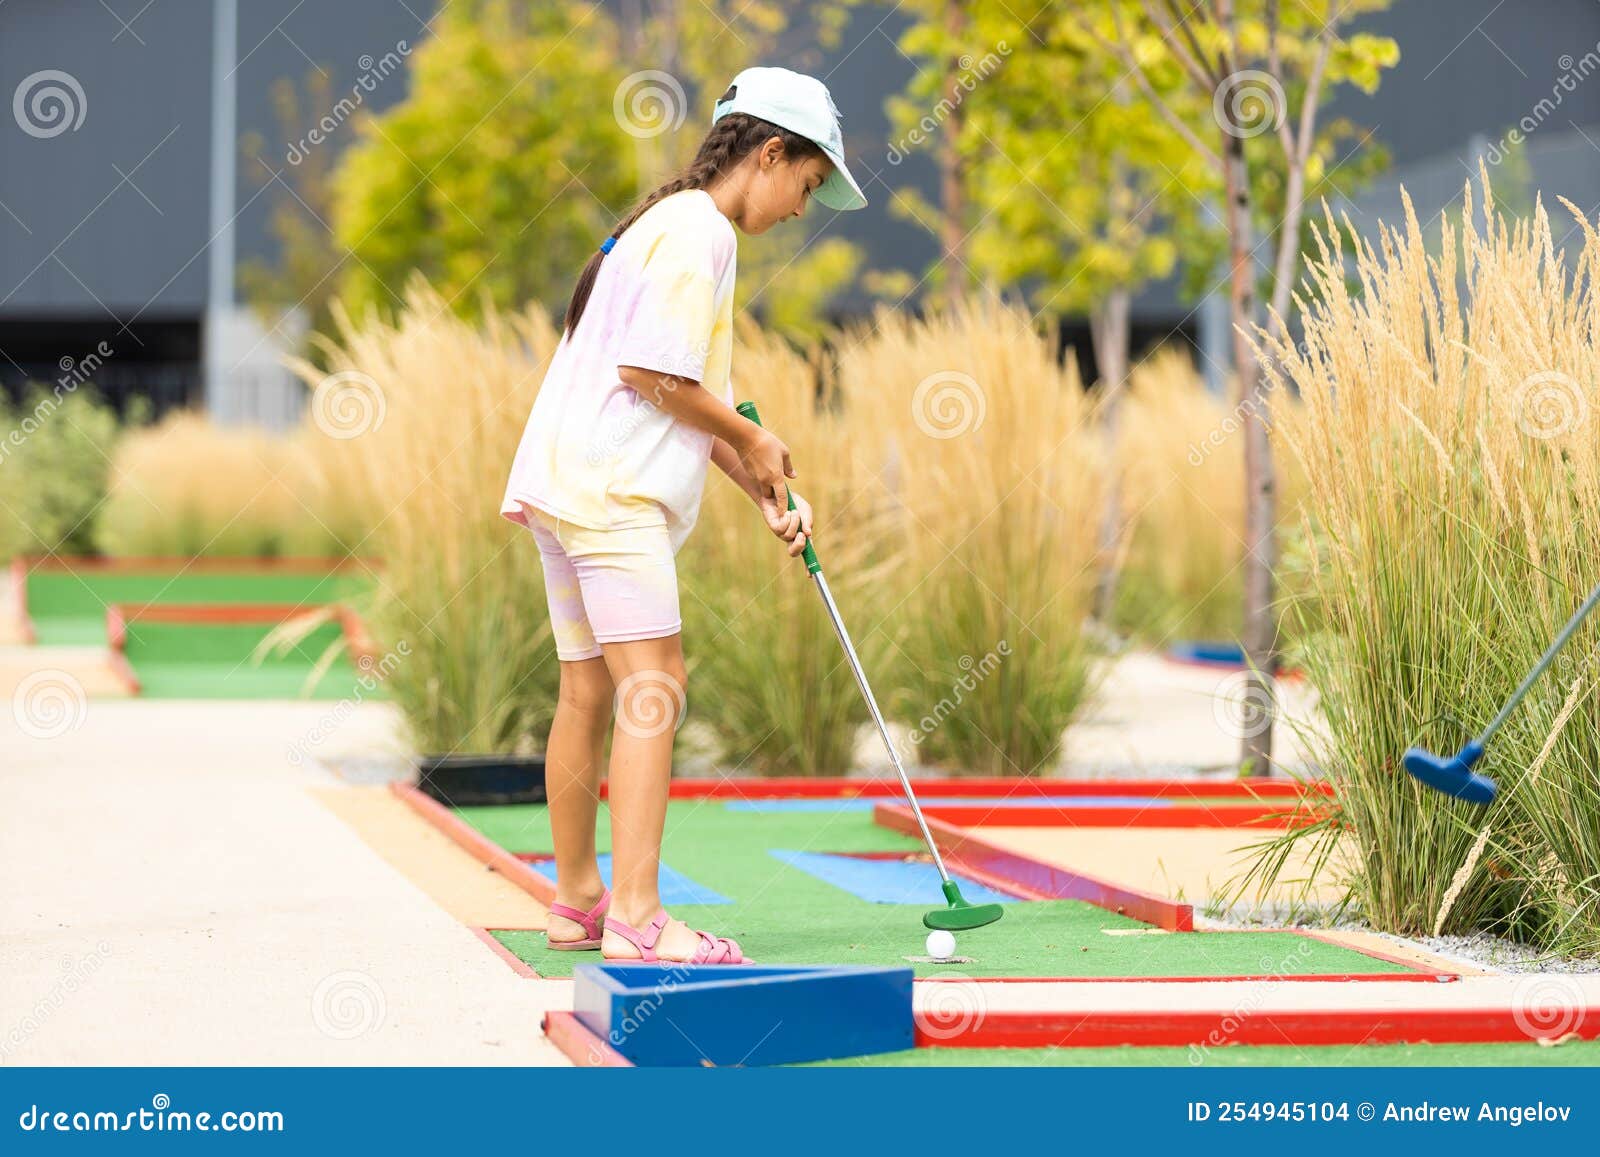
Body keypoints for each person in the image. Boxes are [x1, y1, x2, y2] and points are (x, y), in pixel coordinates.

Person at [498, 66, 867, 964]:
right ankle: (637, 915)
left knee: (588, 688)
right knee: (654, 685)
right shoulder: (702, 231)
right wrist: (759, 437)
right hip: (613, 494)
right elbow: (650, 375)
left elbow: (688, 400)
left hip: (564, 486)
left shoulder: (664, 223)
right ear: (769, 153)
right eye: (808, 183)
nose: (801, 208)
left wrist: (764, 484)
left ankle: (577, 899)